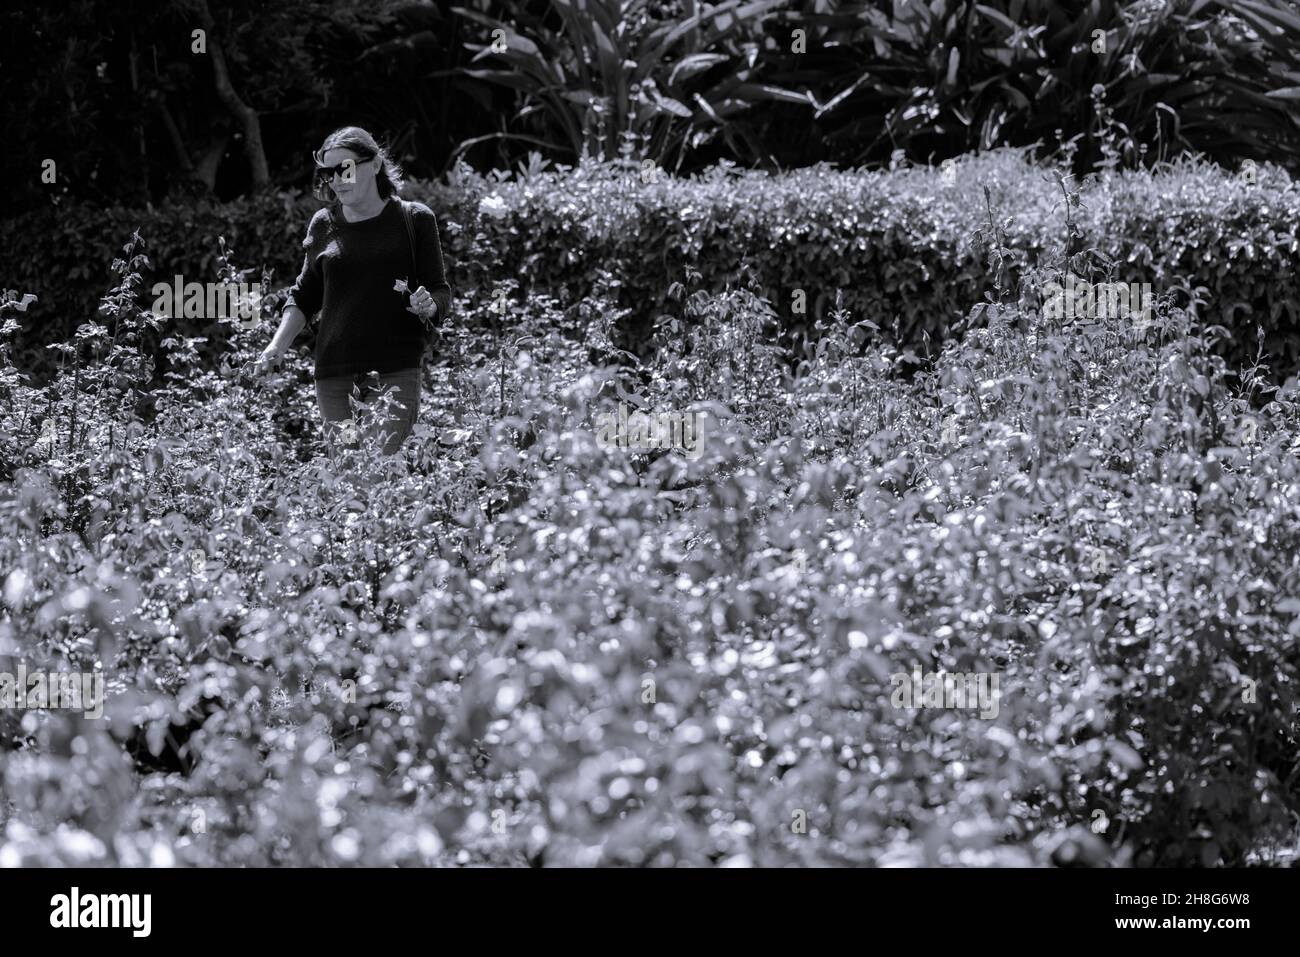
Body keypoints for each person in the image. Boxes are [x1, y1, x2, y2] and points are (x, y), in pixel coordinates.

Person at [255, 126, 452, 456]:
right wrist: (276, 348)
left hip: (395, 371)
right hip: (334, 376)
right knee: (348, 487)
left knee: (378, 472)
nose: (336, 180)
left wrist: (429, 306)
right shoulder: (323, 223)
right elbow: (304, 296)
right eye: (329, 173)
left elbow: (440, 291)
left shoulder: (414, 219)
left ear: (374, 165)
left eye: (344, 169)